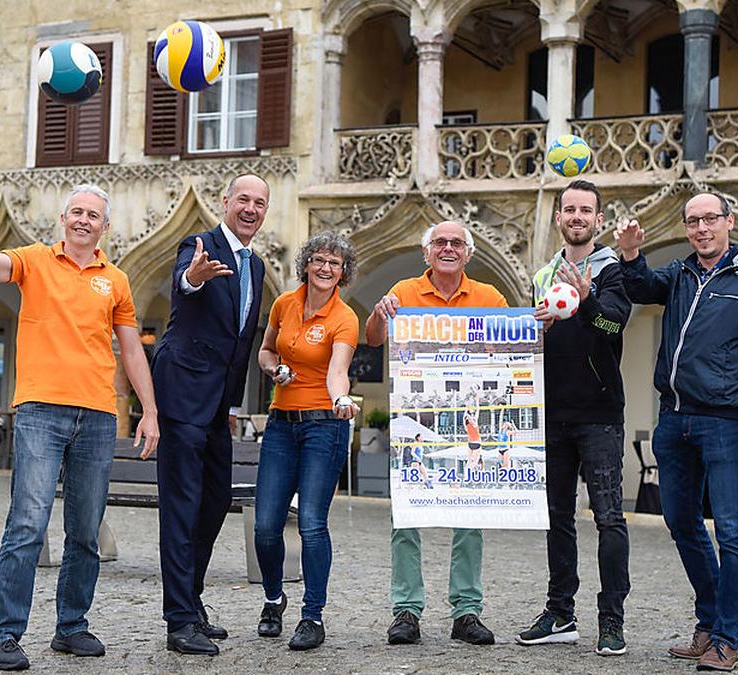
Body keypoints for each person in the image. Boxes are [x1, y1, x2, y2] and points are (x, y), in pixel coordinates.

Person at [0, 184, 161, 671]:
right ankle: (2, 635)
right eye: (76, 212)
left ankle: (71, 627)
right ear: (63, 219)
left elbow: (132, 349)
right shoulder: (33, 260)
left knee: (85, 531)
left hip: (98, 415)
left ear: (104, 226)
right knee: (28, 525)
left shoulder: (115, 280)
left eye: (93, 215)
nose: (84, 220)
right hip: (40, 411)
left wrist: (150, 410)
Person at [616, 192, 738, 671]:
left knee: (733, 530)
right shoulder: (680, 273)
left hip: (727, 421)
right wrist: (631, 254)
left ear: (729, 222)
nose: (700, 229)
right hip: (673, 420)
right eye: (692, 221)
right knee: (681, 522)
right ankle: (709, 622)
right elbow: (641, 287)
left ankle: (726, 639)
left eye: (709, 219)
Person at [366, 220, 508, 647]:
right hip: (415, 424)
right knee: (407, 517)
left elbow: (509, 349)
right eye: (440, 242)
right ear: (427, 253)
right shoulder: (404, 292)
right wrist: (378, 312)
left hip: (470, 425)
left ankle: (466, 612)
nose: (448, 248)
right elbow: (372, 339)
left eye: (457, 243)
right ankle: (406, 610)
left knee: (469, 518)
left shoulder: (491, 298)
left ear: (468, 254)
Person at [151, 173, 269, 656]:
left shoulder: (256, 266)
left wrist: (231, 406)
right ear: (225, 202)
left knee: (216, 499)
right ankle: (179, 622)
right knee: (181, 509)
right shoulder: (199, 243)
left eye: (259, 202)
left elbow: (239, 342)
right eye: (243, 199)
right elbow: (185, 283)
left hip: (218, 406)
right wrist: (193, 277)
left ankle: (191, 601)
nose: (250, 208)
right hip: (181, 397)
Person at [518, 179, 632, 656]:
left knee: (608, 518)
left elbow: (611, 325)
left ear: (598, 220)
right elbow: (531, 345)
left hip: (599, 413)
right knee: (556, 516)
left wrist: (585, 301)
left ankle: (611, 620)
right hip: (553, 411)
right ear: (559, 217)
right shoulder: (543, 275)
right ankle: (560, 613)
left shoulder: (613, 271)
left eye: (586, 210)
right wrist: (532, 330)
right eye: (570, 209)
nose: (577, 216)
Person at [253, 232, 361, 651]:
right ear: (306, 264)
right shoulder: (284, 304)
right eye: (319, 260)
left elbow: (338, 368)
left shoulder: (344, 317)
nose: (325, 268)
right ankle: (273, 599)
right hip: (281, 423)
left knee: (312, 524)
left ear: (344, 272)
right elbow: (265, 351)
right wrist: (274, 369)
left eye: (335, 263)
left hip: (324, 426)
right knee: (265, 527)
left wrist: (340, 398)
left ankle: (312, 616)